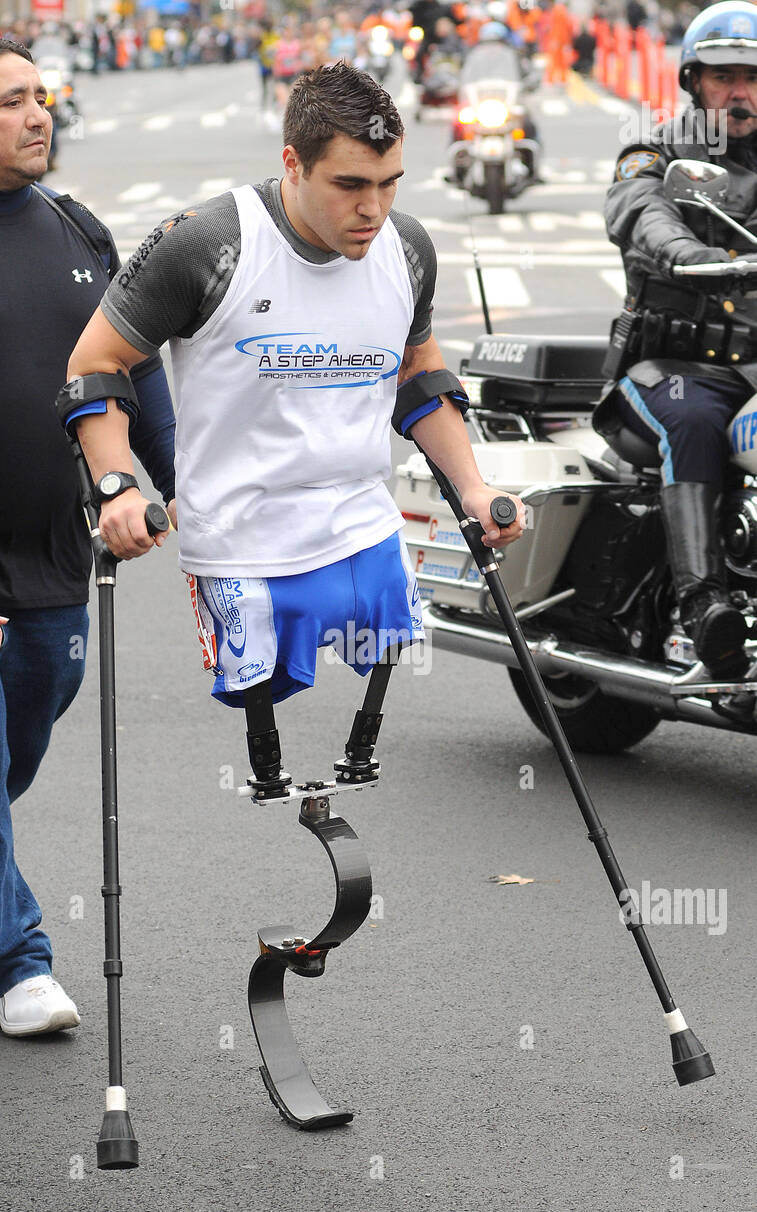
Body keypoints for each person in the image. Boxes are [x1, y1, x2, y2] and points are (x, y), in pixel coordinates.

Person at [63, 63, 524, 749]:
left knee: (371, 721)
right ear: (294, 165)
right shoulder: (208, 244)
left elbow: (419, 373)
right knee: (264, 747)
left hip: (364, 530)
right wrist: (116, 486)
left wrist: (474, 487)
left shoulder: (406, 249)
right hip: (244, 543)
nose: (373, 207)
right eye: (349, 185)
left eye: (388, 183)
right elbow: (95, 366)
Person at [0, 35, 176, 1036]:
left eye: (42, 97)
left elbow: (131, 369)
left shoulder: (77, 229)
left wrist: (177, 475)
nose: (38, 116)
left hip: (57, 559)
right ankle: (21, 959)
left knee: (19, 749)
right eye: (13, 102)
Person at [595, 1, 757, 682]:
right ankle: (703, 606)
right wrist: (682, 252)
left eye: (751, 75)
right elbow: (635, 207)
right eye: (723, 76)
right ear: (693, 81)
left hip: (750, 367)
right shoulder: (657, 152)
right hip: (668, 367)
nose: (739, 91)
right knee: (690, 417)